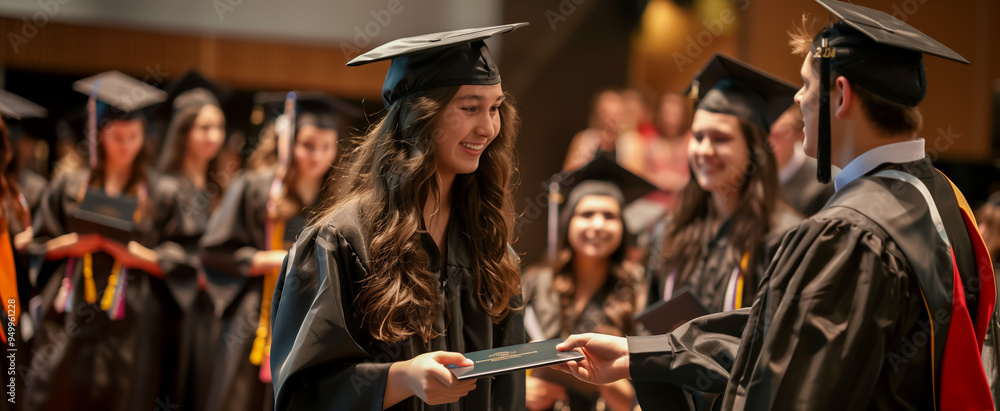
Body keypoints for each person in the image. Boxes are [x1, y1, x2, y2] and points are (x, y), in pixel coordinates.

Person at [553, 1, 1000, 409]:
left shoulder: (849, 232)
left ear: (840, 95)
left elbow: (785, 382)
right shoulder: (939, 197)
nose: (798, 99)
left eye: (807, 84)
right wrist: (641, 352)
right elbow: (780, 334)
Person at [270, 23, 529, 410]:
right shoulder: (341, 240)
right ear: (420, 115)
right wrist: (400, 379)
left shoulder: (488, 245)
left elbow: (507, 392)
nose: (489, 127)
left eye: (495, 108)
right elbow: (303, 394)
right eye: (470, 107)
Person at [25, 71, 182, 410]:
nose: (125, 145)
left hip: (133, 316)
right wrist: (72, 244)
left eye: (133, 136)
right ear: (98, 135)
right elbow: (36, 245)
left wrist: (137, 255)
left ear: (144, 136)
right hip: (69, 306)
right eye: (116, 136)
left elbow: (185, 259)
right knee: (59, 390)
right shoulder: (69, 186)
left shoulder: (162, 192)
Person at [198, 92, 341, 411]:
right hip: (255, 315)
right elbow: (215, 251)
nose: (316, 156)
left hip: (309, 317)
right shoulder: (254, 186)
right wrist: (276, 259)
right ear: (288, 143)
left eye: (326, 146)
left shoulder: (336, 198)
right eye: (307, 145)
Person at [647, 54, 802, 314]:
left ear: (754, 150)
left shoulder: (783, 240)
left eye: (720, 138)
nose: (704, 150)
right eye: (698, 136)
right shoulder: (671, 233)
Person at [523, 155, 654, 411]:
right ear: (568, 222)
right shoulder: (535, 283)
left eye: (609, 216)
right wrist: (520, 387)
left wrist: (605, 379)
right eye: (586, 214)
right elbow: (501, 356)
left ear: (623, 227)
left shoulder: (637, 291)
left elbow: (644, 392)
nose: (597, 225)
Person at [155, 73, 230, 411]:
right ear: (183, 131)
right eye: (204, 127)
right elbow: (148, 247)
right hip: (172, 307)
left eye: (219, 127)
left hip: (208, 311)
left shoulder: (220, 189)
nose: (214, 136)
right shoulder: (164, 186)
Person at [768, 105, 835, 216]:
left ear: (800, 135)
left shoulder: (821, 188)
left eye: (778, 135)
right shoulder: (747, 171)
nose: (768, 143)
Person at [563, 89, 625, 171]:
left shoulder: (628, 143)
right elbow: (568, 173)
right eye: (606, 113)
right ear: (597, 115)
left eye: (616, 114)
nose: (612, 119)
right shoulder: (585, 138)